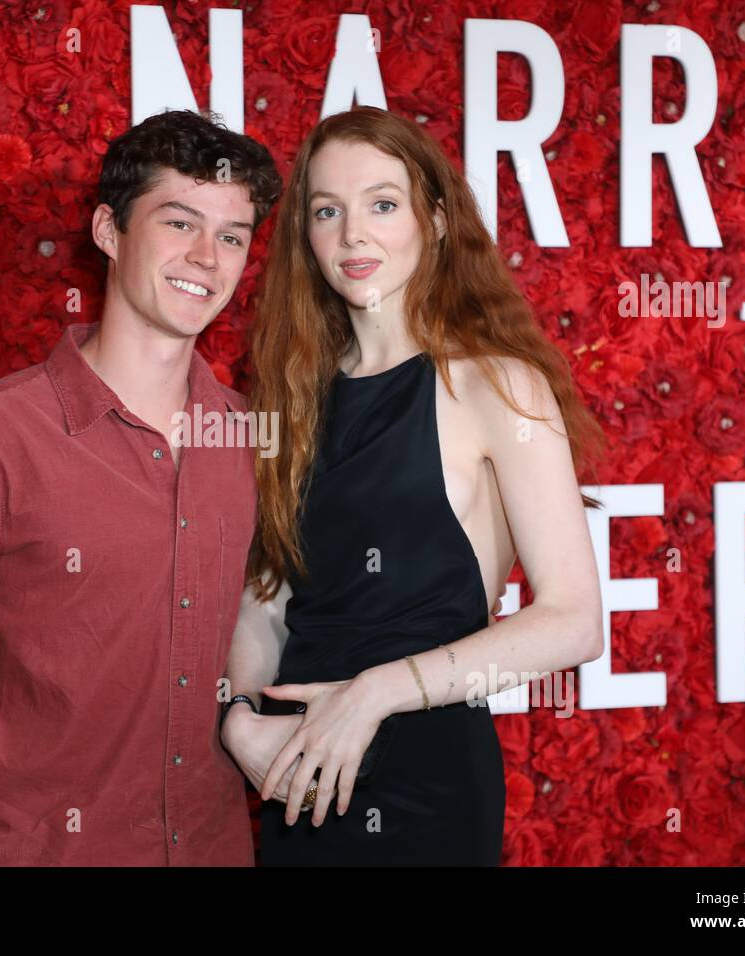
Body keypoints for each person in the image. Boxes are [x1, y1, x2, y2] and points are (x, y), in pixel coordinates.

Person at [0, 109, 282, 865]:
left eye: (232, 236)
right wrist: (1, 776)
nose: (207, 258)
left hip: (211, 846)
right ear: (110, 232)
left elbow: (264, 615)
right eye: (179, 223)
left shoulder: (251, 439)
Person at [219, 106, 608, 865]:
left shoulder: (496, 384)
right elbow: (266, 605)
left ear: (434, 219)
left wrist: (372, 693)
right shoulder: (294, 398)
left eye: (382, 204)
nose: (352, 234)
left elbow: (575, 621)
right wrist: (237, 721)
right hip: (299, 775)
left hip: (424, 780)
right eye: (327, 211)